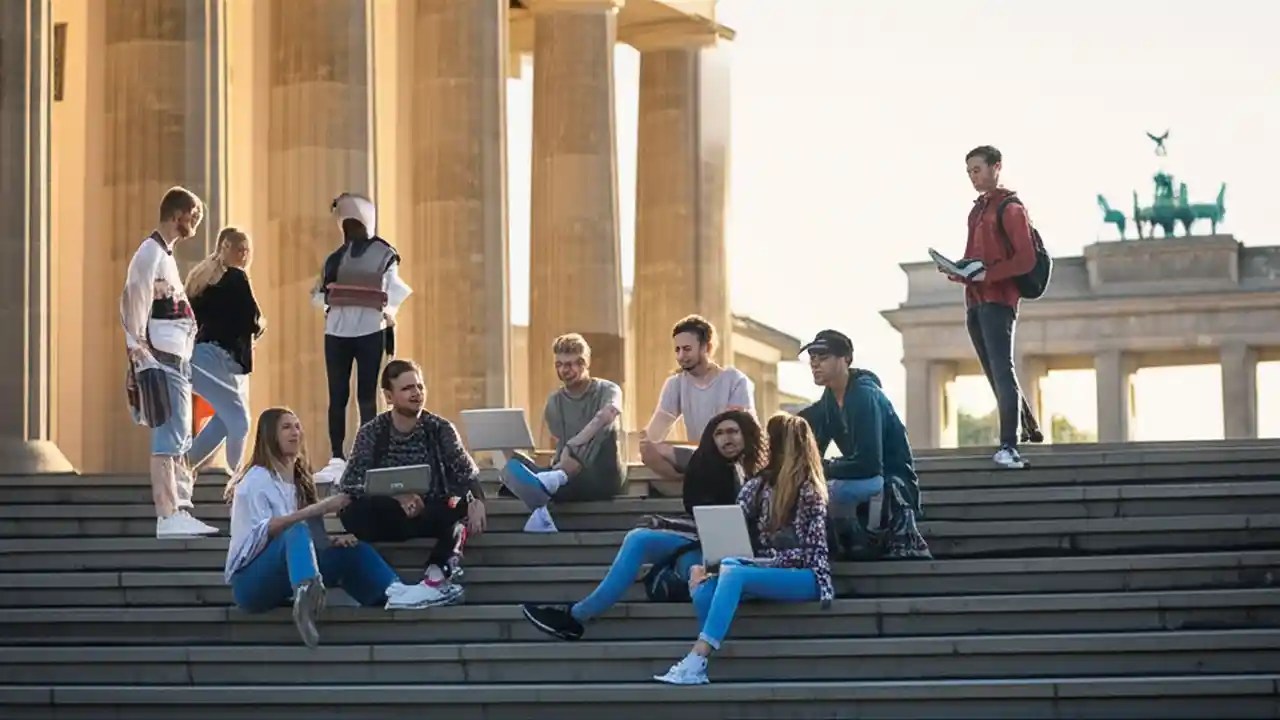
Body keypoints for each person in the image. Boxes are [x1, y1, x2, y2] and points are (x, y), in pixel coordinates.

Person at [520, 409, 766, 642]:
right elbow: (699, 514)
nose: (726, 438)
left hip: (747, 552)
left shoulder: (763, 473)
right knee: (642, 539)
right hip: (702, 540)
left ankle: (709, 648)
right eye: (719, 433)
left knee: (694, 572)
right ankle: (576, 616)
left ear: (746, 434)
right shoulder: (704, 464)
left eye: (733, 431)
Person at [223, 407, 440, 648]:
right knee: (295, 530)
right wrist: (321, 508)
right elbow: (267, 531)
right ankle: (307, 595)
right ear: (268, 435)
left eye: (297, 426)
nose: (295, 432)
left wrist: (330, 543)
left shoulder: (299, 482)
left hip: (286, 574)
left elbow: (307, 540)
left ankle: (395, 592)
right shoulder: (255, 480)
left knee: (352, 551)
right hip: (251, 583)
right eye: (286, 427)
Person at [653, 413, 834, 686]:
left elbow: (813, 554)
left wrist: (755, 563)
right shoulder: (760, 485)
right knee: (705, 584)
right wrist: (710, 566)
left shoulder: (810, 490)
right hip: (762, 569)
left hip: (808, 577)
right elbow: (729, 523)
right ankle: (708, 657)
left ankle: (697, 659)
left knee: (734, 573)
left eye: (773, 443)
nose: (766, 448)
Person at [336, 359, 487, 606]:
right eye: (407, 388)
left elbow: (466, 472)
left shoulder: (440, 428)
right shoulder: (371, 432)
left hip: (429, 512)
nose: (416, 393)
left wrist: (478, 500)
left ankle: (437, 576)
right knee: (350, 510)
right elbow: (350, 484)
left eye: (419, 387)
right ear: (388, 396)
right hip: (385, 515)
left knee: (459, 508)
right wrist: (397, 497)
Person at [120, 186, 219, 539]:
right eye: (194, 215)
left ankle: (179, 508)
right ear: (177, 215)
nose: (196, 221)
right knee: (169, 436)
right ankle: (167, 513)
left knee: (180, 436)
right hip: (161, 358)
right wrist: (140, 355)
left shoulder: (166, 256)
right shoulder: (149, 254)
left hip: (177, 358)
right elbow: (134, 302)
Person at [943, 145, 1043, 469]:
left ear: (996, 167)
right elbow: (976, 258)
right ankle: (1027, 423)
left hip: (999, 300)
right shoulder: (976, 211)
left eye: (978, 169)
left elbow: (1025, 259)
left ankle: (1009, 446)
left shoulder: (1010, 208)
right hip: (975, 299)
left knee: (1002, 368)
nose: (973, 176)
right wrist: (959, 271)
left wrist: (989, 274)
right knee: (992, 369)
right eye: (969, 171)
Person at [797, 330, 931, 560]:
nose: (815, 364)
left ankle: (831, 548)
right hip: (864, 479)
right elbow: (814, 448)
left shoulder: (863, 395)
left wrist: (821, 468)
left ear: (846, 359)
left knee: (822, 490)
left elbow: (869, 465)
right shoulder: (829, 400)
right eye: (812, 358)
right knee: (806, 488)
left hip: (892, 483)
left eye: (823, 357)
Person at [312, 193, 412, 483]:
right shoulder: (334, 259)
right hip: (338, 331)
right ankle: (337, 456)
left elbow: (395, 292)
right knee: (339, 395)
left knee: (366, 396)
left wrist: (385, 310)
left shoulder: (384, 254)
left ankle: (367, 454)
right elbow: (320, 295)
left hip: (369, 329)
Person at [502, 333, 626, 533]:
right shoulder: (554, 402)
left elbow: (609, 414)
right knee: (512, 468)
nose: (563, 371)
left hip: (603, 473)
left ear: (584, 364)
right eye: (559, 365)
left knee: (604, 424)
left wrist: (574, 444)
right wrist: (555, 462)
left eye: (569, 365)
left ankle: (548, 484)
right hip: (571, 476)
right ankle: (544, 497)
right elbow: (558, 446)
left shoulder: (607, 389)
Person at [639, 315, 756, 485]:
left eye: (687, 349)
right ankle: (685, 481)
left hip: (734, 461)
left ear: (706, 347)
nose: (681, 356)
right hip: (698, 459)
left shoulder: (735, 381)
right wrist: (648, 444)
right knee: (650, 449)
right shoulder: (676, 383)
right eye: (677, 350)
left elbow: (733, 439)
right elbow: (654, 433)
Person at [185, 227, 263, 473]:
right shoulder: (236, 278)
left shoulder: (204, 281)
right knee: (240, 421)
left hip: (202, 358)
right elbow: (251, 319)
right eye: (238, 248)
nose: (242, 254)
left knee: (224, 420)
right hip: (214, 358)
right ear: (224, 249)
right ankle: (237, 479)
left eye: (245, 250)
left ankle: (183, 465)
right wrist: (262, 325)